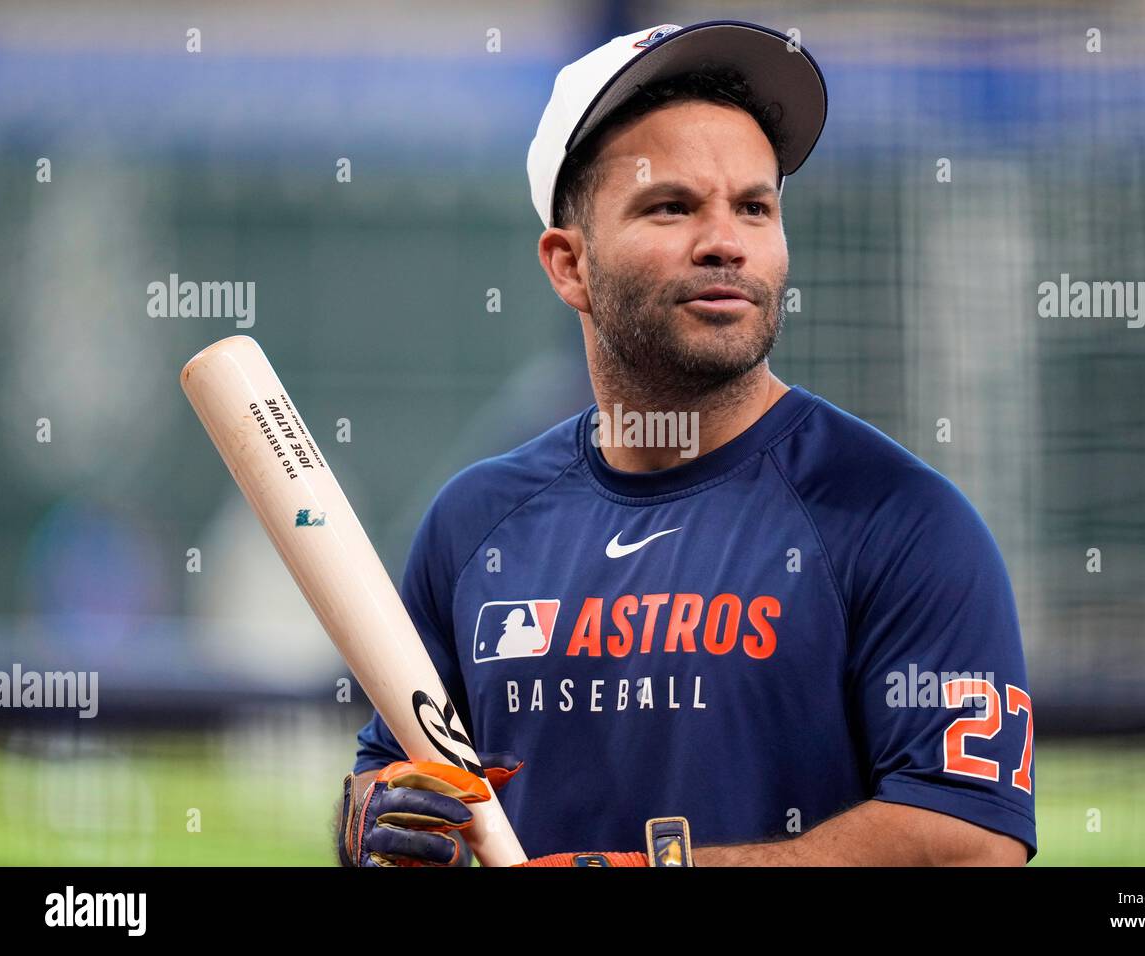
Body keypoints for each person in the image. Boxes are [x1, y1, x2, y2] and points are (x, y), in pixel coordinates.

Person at [337, 20, 1035, 867]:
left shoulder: (901, 521)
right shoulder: (475, 524)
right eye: (670, 206)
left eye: (754, 206)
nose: (724, 242)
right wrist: (381, 820)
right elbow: (400, 776)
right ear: (570, 265)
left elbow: (969, 843)